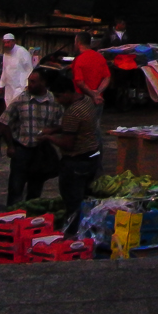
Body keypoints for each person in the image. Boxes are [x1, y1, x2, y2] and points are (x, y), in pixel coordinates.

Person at [42, 73, 100, 234]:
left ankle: (74, 234)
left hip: (76, 161)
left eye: (59, 96)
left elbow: (68, 144)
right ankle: (87, 230)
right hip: (92, 156)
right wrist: (55, 129)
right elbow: (75, 127)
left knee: (73, 202)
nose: (57, 100)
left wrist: (49, 137)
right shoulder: (86, 101)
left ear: (67, 93)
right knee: (86, 197)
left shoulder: (72, 113)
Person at [0, 69, 63, 206]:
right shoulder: (21, 100)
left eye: (33, 82)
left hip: (40, 151)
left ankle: (30, 216)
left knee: (35, 189)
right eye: (29, 81)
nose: (30, 85)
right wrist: (10, 146)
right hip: (22, 149)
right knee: (16, 188)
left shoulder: (54, 101)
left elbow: (62, 124)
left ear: (43, 83)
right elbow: (4, 122)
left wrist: (50, 132)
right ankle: (13, 215)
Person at [70, 32, 111, 113]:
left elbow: (80, 82)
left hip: (81, 101)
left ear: (78, 43)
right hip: (98, 101)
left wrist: (93, 94)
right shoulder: (100, 57)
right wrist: (98, 93)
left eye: (75, 42)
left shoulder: (79, 59)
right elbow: (107, 77)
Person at [0, 34, 34, 105]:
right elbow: (5, 69)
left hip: (20, 87)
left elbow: (29, 69)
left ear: (13, 42)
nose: (6, 45)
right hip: (9, 87)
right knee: (8, 106)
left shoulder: (22, 51)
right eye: (4, 43)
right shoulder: (6, 53)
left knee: (18, 106)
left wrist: (28, 84)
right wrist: (1, 85)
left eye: (8, 42)